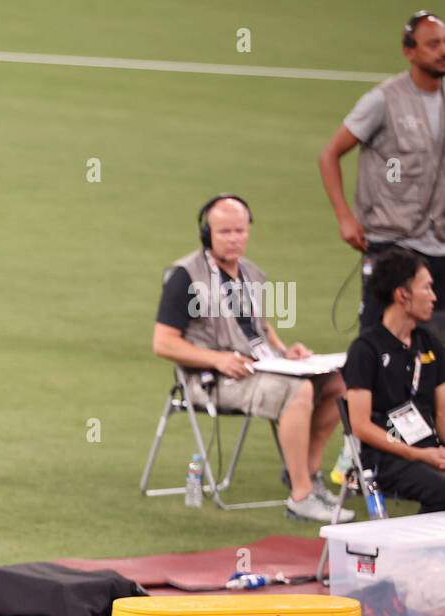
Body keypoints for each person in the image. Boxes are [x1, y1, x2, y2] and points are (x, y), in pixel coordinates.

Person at [153, 195, 354, 522]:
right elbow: (163, 344)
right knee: (298, 390)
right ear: (207, 234)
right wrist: (216, 360)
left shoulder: (251, 274)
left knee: (339, 383)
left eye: (240, 231)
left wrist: (285, 351)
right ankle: (300, 498)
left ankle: (306, 474)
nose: (234, 239)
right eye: (225, 232)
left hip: (259, 367)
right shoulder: (186, 276)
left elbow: (257, 326)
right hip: (210, 380)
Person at [318, 10, 445, 339]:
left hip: (439, 245)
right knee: (379, 342)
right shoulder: (383, 101)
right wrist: (345, 217)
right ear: (409, 51)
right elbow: (329, 154)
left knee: (436, 347)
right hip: (392, 244)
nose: (442, 50)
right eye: (433, 44)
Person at [343, 247, 445, 511]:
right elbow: (361, 426)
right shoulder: (365, 350)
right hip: (386, 459)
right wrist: (417, 454)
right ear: (402, 295)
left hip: (429, 451)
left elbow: (443, 410)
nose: (433, 297)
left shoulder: (428, 342)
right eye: (426, 288)